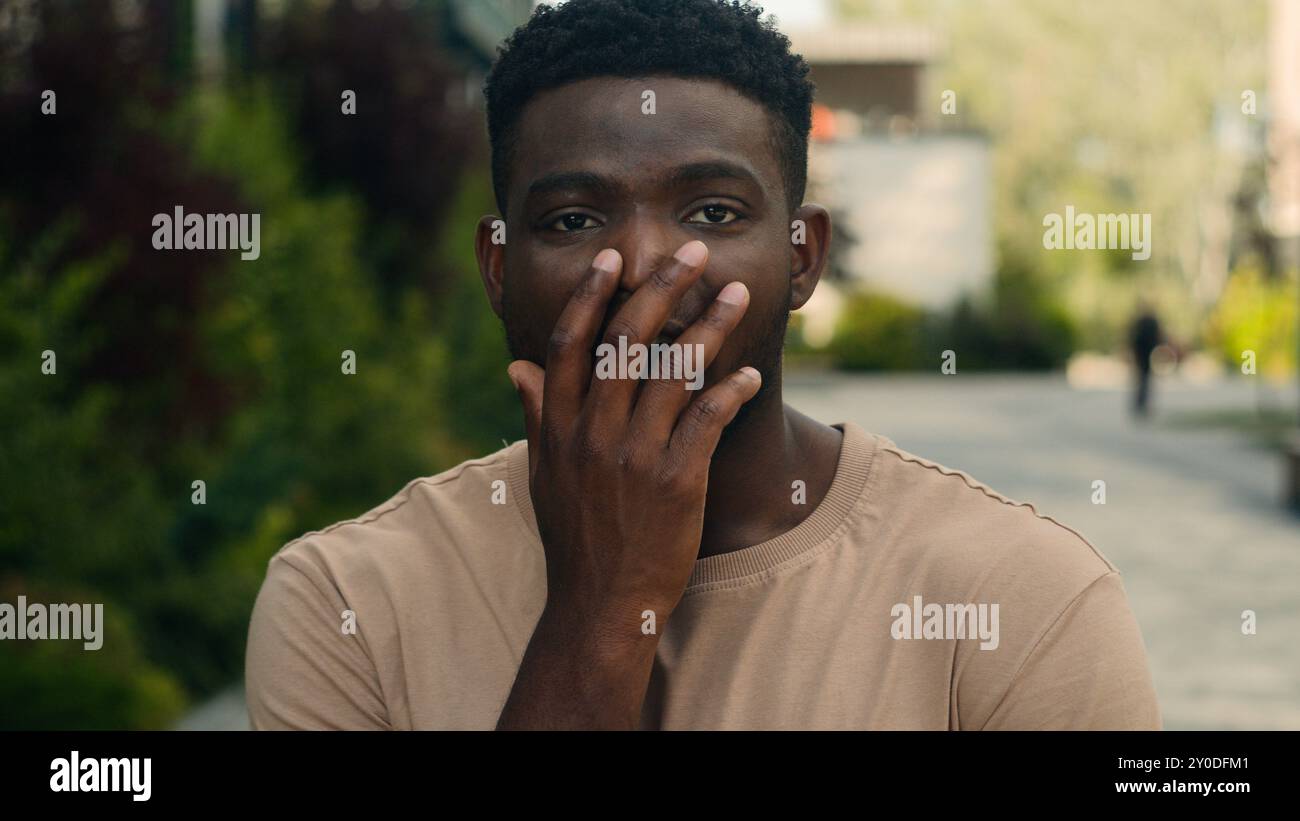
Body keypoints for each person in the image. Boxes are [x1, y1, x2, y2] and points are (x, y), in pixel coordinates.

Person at [245, 0, 1161, 730]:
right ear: (497, 268)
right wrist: (605, 602)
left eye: (715, 213)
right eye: (573, 218)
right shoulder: (346, 604)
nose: (644, 264)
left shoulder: (1022, 596)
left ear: (803, 257)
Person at [1130, 302, 1163, 418]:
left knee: (1142, 380)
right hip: (1143, 354)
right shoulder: (1146, 322)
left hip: (1144, 354)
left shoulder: (1142, 322)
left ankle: (1141, 404)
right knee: (1143, 380)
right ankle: (1141, 404)